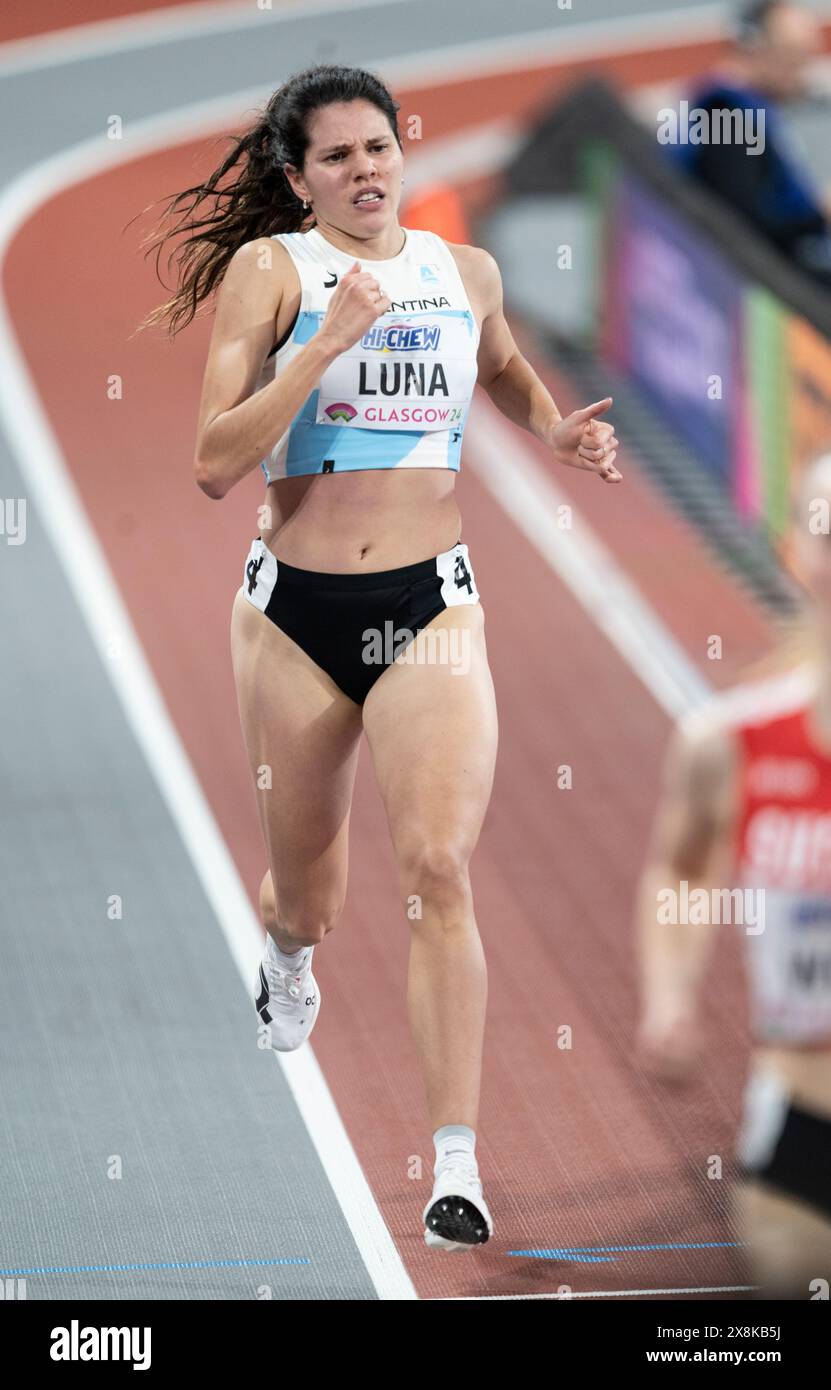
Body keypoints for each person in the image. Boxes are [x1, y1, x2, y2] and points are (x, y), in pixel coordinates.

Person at [137, 63, 621, 1251]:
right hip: (294, 615)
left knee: (440, 866)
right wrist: (324, 340)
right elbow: (211, 459)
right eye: (339, 157)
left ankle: (454, 1161)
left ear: (403, 153)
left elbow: (499, 366)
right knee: (313, 894)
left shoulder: (463, 269)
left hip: (431, 607)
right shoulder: (274, 272)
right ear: (298, 181)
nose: (366, 170)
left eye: (379, 148)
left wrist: (553, 426)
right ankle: (287, 952)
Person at [634, 449, 831, 1298]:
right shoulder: (731, 741)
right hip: (802, 1112)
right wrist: (670, 996)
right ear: (797, 551)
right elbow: (676, 871)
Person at [669, 0, 831, 288]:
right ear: (756, 48)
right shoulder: (726, 113)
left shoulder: (731, 108)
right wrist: (818, 215)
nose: (803, 76)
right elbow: (742, 226)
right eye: (793, 59)